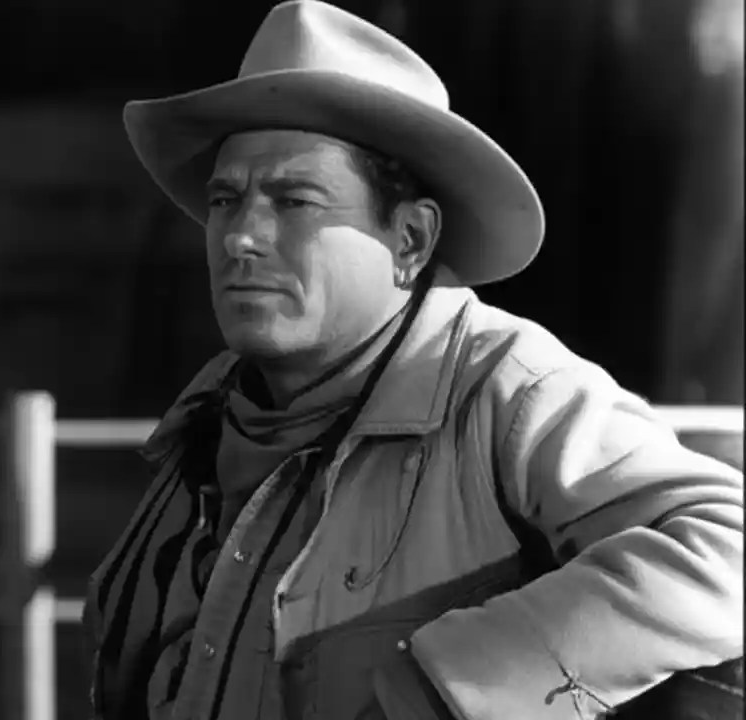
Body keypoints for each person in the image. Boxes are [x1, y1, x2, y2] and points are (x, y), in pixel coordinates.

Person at [81, 2, 744, 719]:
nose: (241, 236)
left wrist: (452, 687)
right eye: (225, 198)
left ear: (410, 241)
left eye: (294, 200)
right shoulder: (205, 432)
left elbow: (727, 549)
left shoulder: (506, 391)